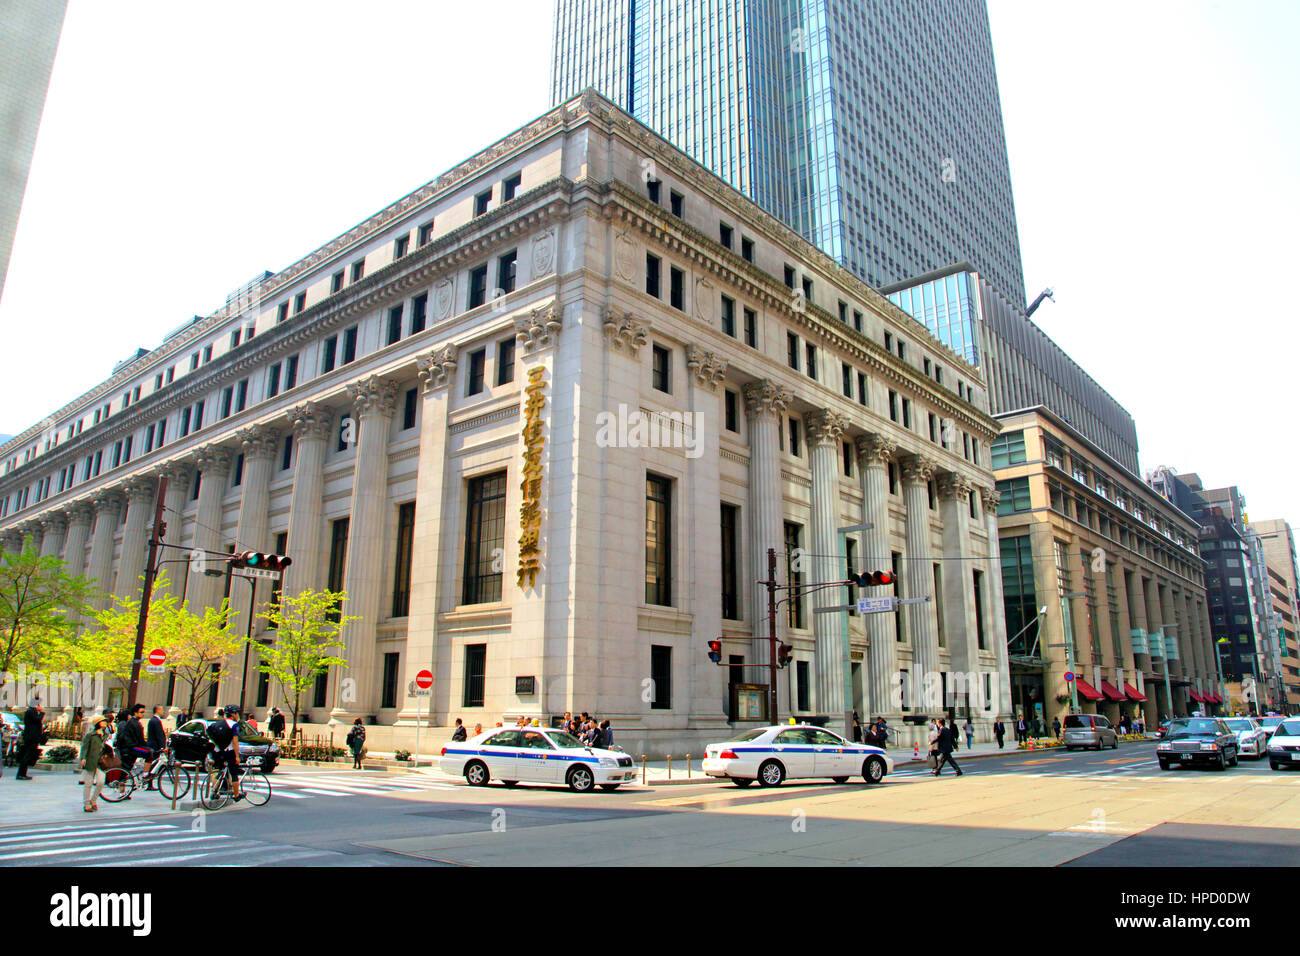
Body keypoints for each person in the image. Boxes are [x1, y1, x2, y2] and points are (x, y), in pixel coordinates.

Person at [207, 705, 243, 800]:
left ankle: (214, 791)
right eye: (237, 713)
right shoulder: (234, 725)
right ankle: (236, 795)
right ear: (233, 714)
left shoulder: (217, 724)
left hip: (218, 751)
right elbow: (235, 742)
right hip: (229, 751)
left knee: (219, 771)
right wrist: (237, 756)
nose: (238, 716)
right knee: (234, 773)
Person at [79, 715, 110, 812]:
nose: (105, 723)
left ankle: (93, 800)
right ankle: (86, 804)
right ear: (98, 723)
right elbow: (84, 747)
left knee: (101, 781)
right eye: (103, 721)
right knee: (88, 783)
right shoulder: (90, 735)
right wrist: (83, 758)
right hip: (90, 761)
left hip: (100, 762)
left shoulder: (105, 735)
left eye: (105, 721)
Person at [16, 700, 46, 780]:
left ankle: (23, 774)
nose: (40, 706)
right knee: (27, 755)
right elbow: (37, 720)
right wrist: (42, 712)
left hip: (31, 736)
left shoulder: (31, 711)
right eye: (39, 705)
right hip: (31, 737)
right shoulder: (31, 711)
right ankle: (21, 774)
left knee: (28, 755)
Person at [144, 706, 167, 790]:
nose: (163, 711)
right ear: (158, 710)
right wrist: (162, 746)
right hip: (155, 746)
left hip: (152, 745)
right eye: (162, 709)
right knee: (153, 765)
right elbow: (159, 735)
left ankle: (149, 782)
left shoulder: (153, 720)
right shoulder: (156, 721)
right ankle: (149, 783)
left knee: (153, 763)